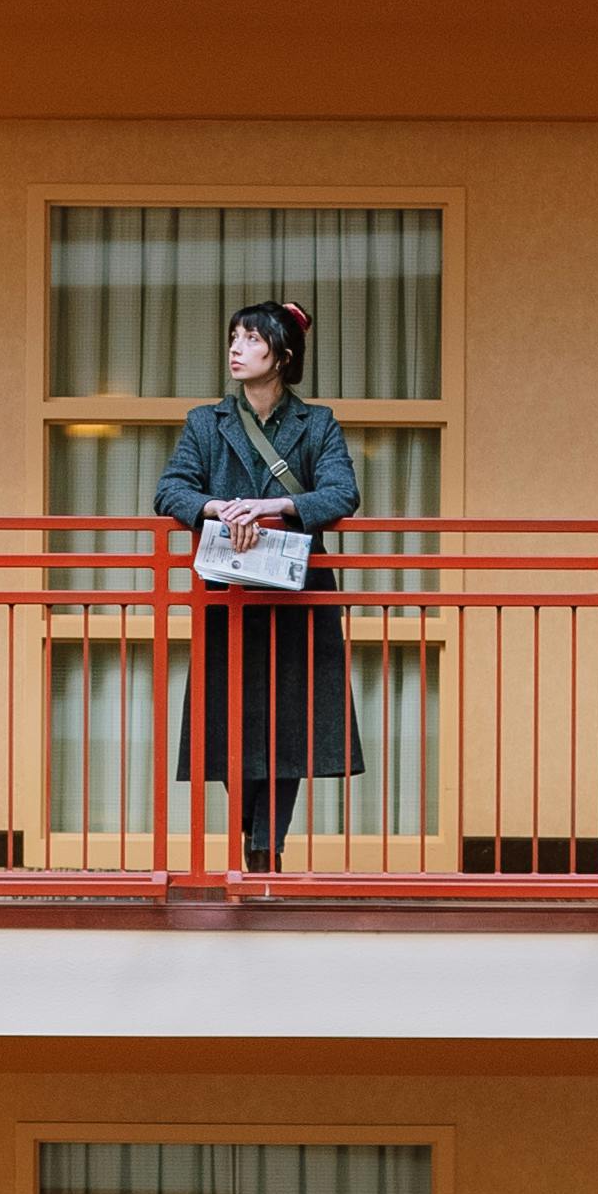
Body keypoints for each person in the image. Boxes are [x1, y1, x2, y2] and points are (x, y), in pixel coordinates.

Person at [155, 299, 363, 873]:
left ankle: (265, 848)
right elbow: (170, 491)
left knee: (289, 728)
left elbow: (342, 493)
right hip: (229, 596)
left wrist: (273, 505)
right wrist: (217, 507)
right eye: (234, 338)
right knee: (228, 722)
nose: (236, 349)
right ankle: (254, 832)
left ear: (283, 356)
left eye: (250, 339)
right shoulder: (207, 421)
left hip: (298, 597)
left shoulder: (316, 422)